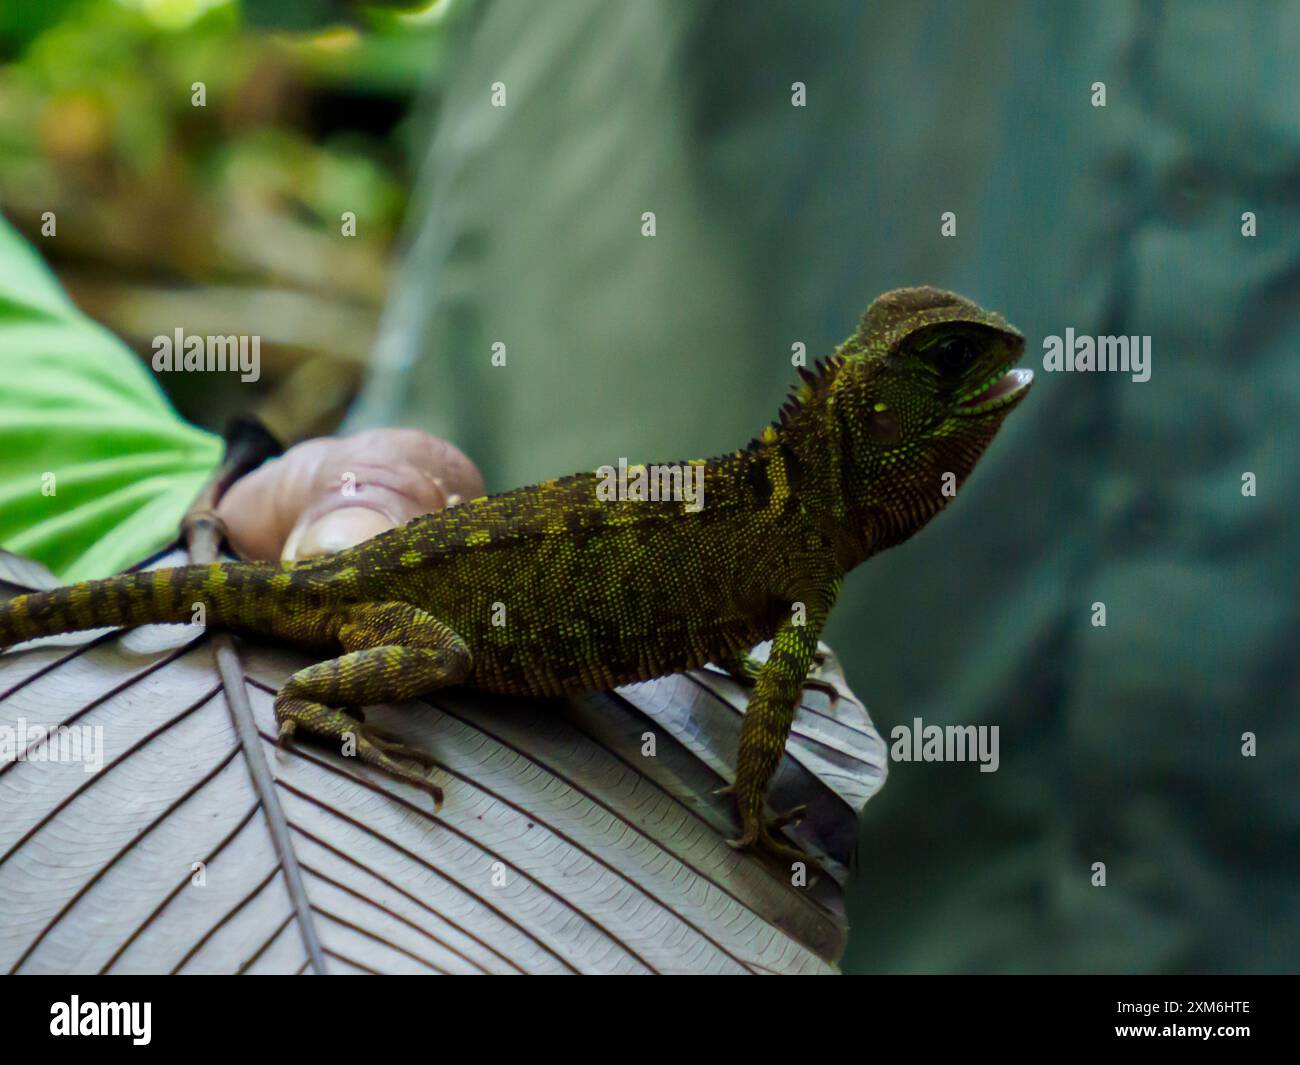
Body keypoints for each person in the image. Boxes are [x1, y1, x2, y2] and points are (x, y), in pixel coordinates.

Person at [3, 1, 1297, 973]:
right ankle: (314, 707)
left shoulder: (790, 537)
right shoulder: (794, 550)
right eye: (946, 367)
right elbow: (760, 742)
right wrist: (750, 813)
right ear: (876, 415)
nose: (987, 374)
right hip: (436, 697)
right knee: (426, 645)